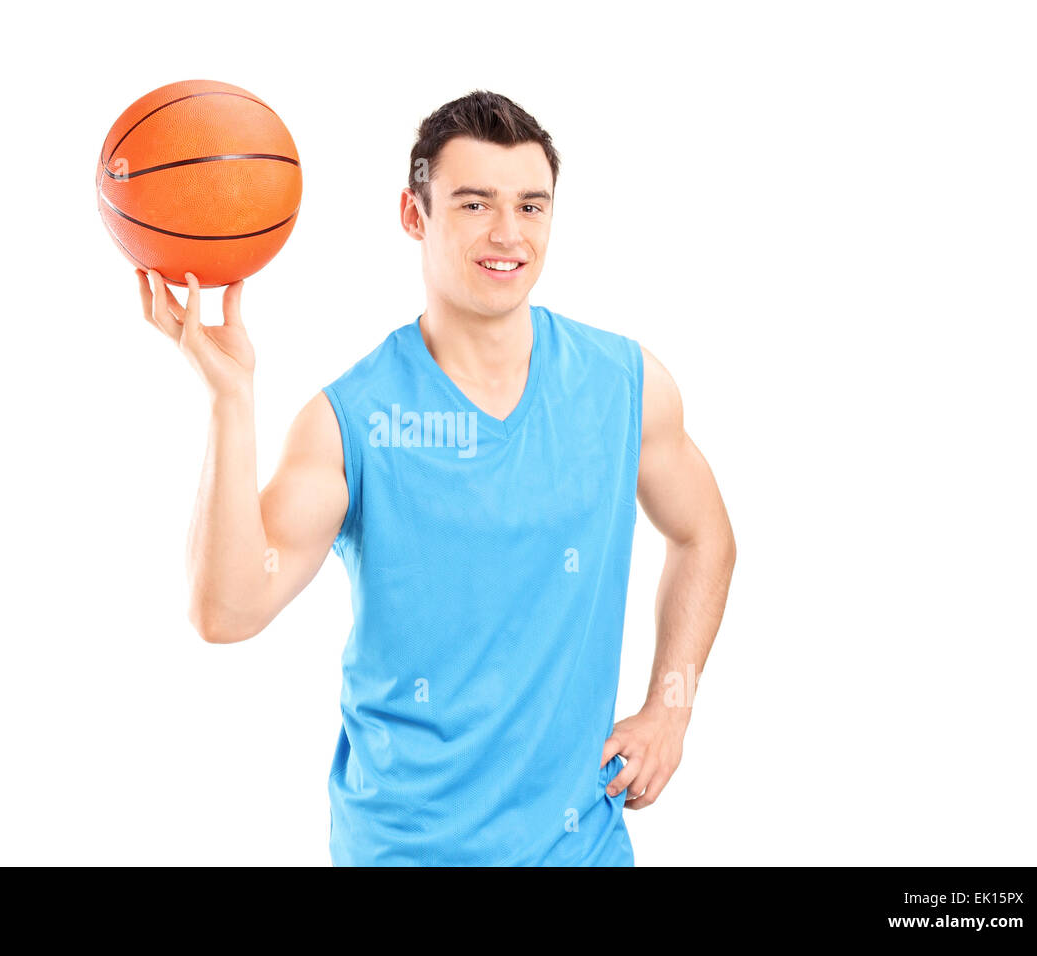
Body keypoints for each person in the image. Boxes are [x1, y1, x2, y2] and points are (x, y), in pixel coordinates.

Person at [136, 90, 736, 866]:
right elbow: (226, 611)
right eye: (474, 202)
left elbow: (704, 536)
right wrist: (229, 400)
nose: (507, 234)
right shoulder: (352, 420)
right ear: (413, 215)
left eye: (531, 205)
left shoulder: (626, 385)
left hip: (578, 844)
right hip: (406, 849)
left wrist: (671, 709)